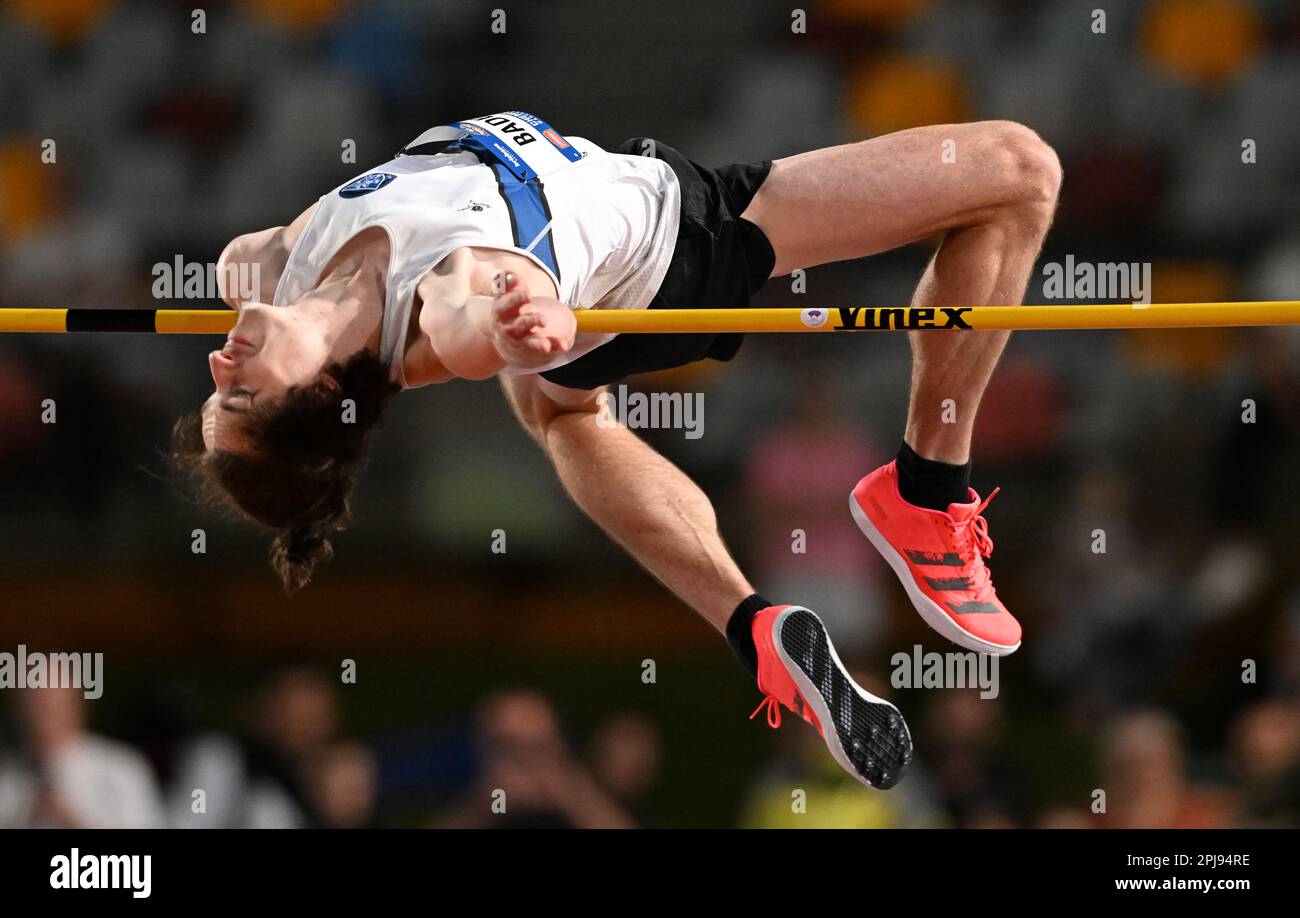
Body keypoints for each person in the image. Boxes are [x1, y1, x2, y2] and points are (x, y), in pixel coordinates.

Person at [173, 111, 1063, 790]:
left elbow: (253, 262)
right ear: (325, 393)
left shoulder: (265, 269)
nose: (220, 363)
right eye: (242, 394)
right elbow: (479, 302)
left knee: (566, 417)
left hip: (600, 258)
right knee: (1019, 169)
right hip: (676, 242)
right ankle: (928, 487)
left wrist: (531, 330)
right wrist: (529, 316)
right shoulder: (452, 301)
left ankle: (748, 620)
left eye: (215, 388)